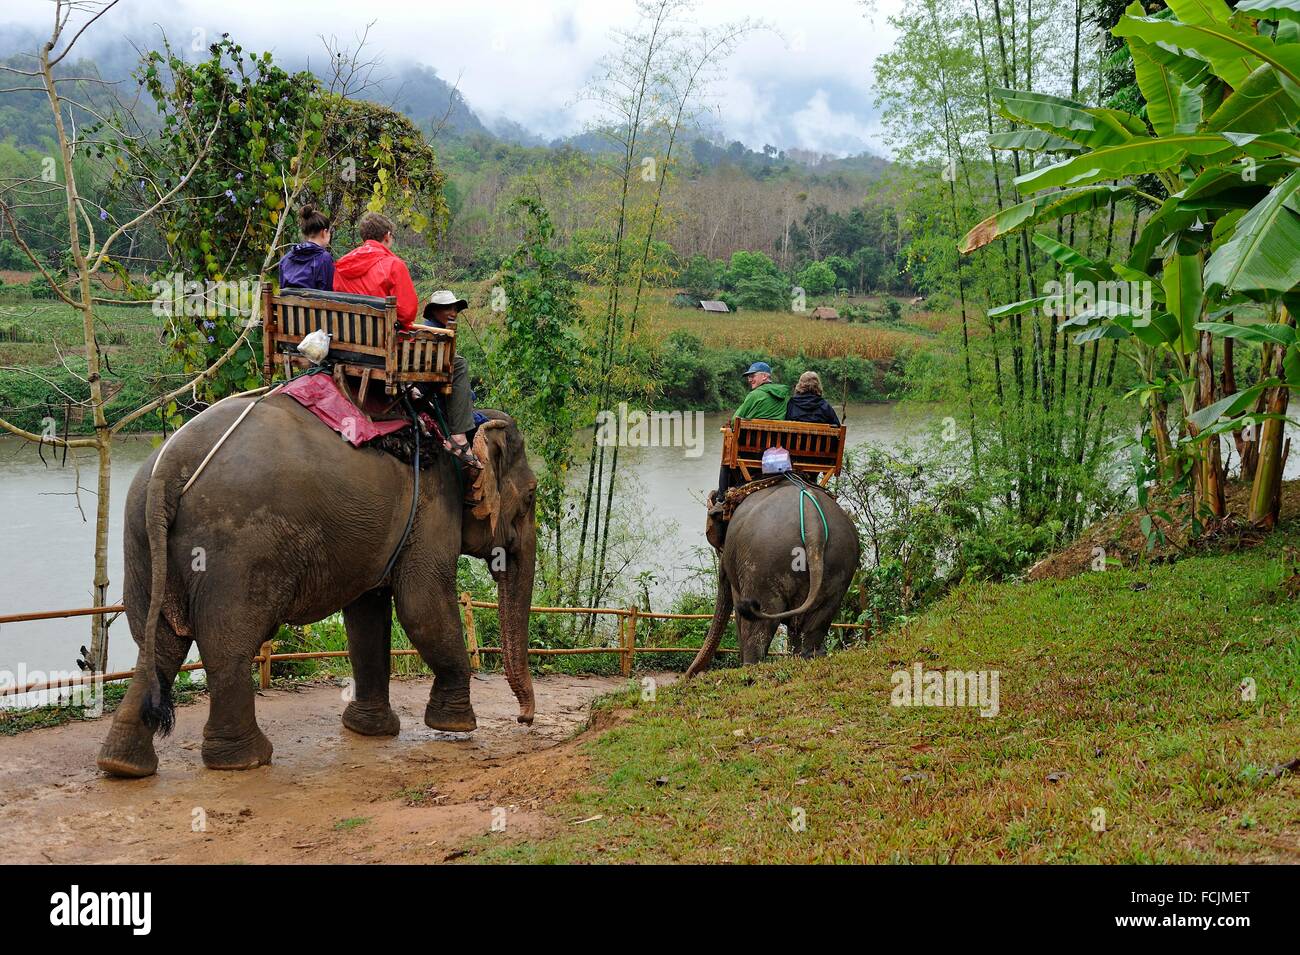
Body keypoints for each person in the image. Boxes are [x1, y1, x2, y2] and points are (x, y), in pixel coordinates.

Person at [334, 212, 480, 468]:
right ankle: (458, 437)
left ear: (363, 236)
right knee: (457, 364)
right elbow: (407, 312)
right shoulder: (393, 265)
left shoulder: (342, 266)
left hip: (350, 349)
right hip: (386, 352)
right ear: (387, 236)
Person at [709, 361, 791, 513]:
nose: (749, 379)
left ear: (765, 377)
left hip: (753, 452)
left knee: (727, 455)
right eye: (748, 377)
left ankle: (720, 500)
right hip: (776, 451)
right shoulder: (785, 396)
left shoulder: (755, 395)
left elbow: (735, 420)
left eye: (753, 376)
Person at [277, 206, 334, 291]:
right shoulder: (324, 258)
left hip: (286, 304)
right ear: (324, 232)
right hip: (314, 304)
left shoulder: (285, 259)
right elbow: (327, 295)